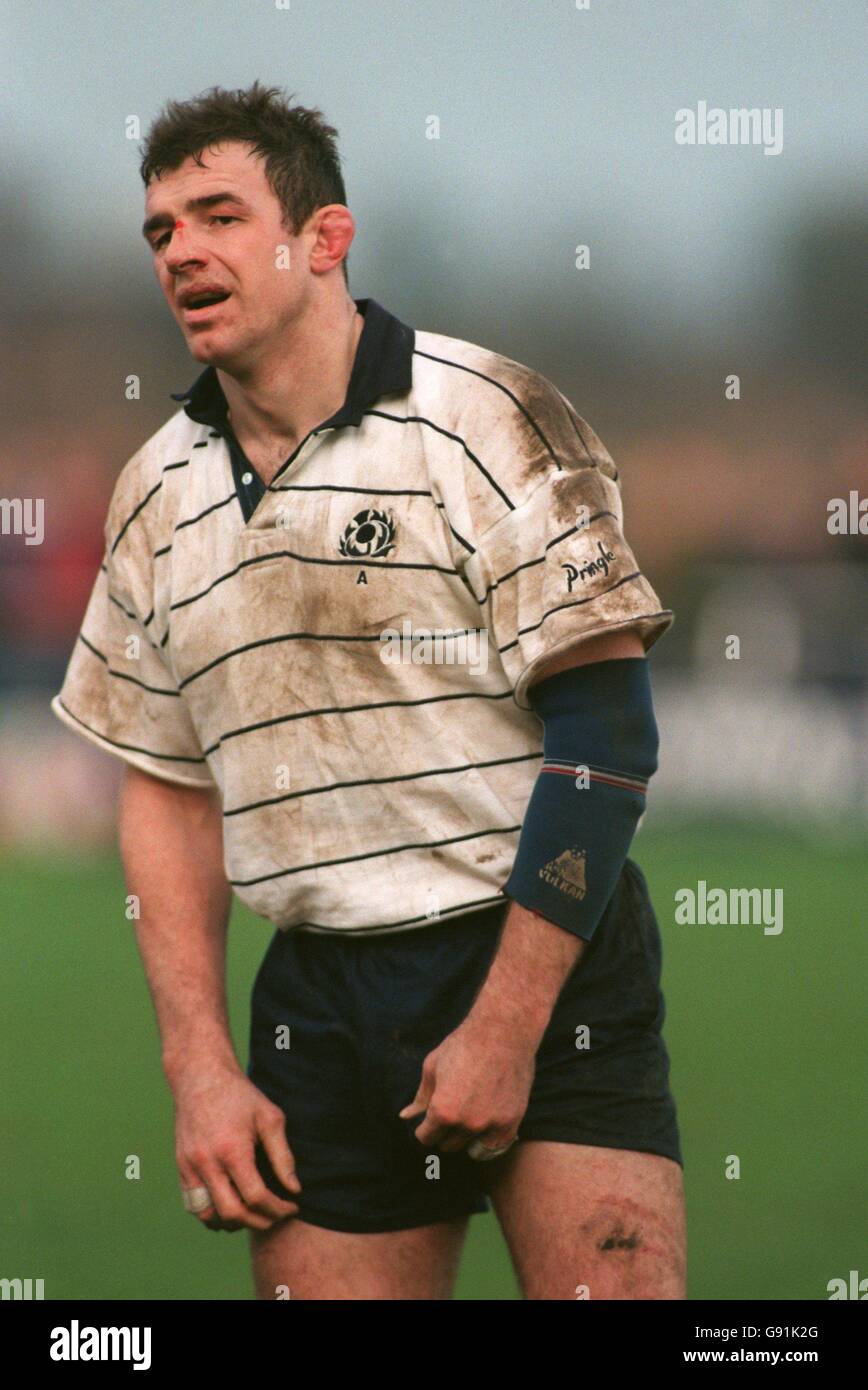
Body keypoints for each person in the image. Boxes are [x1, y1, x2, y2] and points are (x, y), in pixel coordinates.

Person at [52, 82, 686, 1300]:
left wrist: (505, 1029)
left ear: (325, 239)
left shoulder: (485, 418)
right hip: (318, 1003)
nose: (181, 248)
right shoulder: (152, 492)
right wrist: (199, 1069)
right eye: (160, 230)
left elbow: (607, 733)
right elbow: (168, 796)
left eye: (218, 214)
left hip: (540, 963)